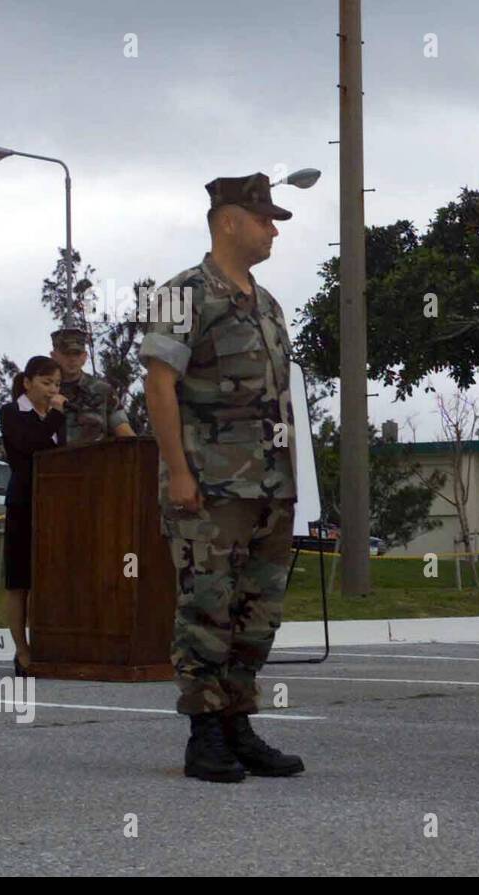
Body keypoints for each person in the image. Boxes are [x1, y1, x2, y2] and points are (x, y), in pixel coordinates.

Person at [141, 172, 303, 783]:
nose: (273, 231)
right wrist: (178, 472)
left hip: (271, 487)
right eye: (265, 220)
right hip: (208, 488)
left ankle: (238, 723)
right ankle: (204, 734)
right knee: (206, 609)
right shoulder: (185, 293)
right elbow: (160, 385)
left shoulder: (267, 305)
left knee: (257, 613)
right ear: (228, 220)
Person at [0, 355, 67, 676]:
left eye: (56, 384)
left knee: (51, 577)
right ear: (27, 382)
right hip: (23, 503)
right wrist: (55, 415)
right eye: (45, 383)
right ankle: (22, 650)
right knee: (19, 582)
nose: (52, 390)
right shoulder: (12, 412)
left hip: (54, 505)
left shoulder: (55, 416)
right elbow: (31, 446)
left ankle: (51, 645)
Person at [49, 326, 134, 445]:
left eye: (77, 354)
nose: (72, 359)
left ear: (84, 357)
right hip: (53, 461)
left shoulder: (103, 391)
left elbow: (124, 432)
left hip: (96, 460)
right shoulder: (44, 392)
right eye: (66, 353)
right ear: (54, 356)